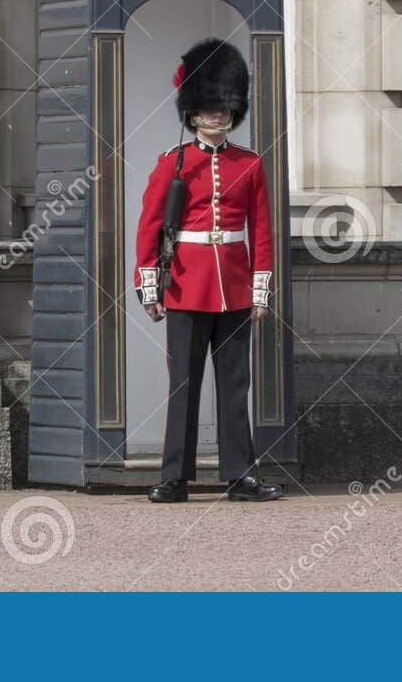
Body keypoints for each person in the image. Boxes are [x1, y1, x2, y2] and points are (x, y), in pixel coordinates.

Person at [134, 37, 284, 504]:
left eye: (223, 108)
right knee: (184, 384)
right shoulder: (173, 163)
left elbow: (261, 230)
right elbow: (149, 227)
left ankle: (241, 476)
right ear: (193, 111)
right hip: (185, 285)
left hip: (234, 288)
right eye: (208, 107)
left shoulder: (250, 164)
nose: (217, 115)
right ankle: (175, 478)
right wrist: (149, 287)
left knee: (235, 385)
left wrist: (260, 290)